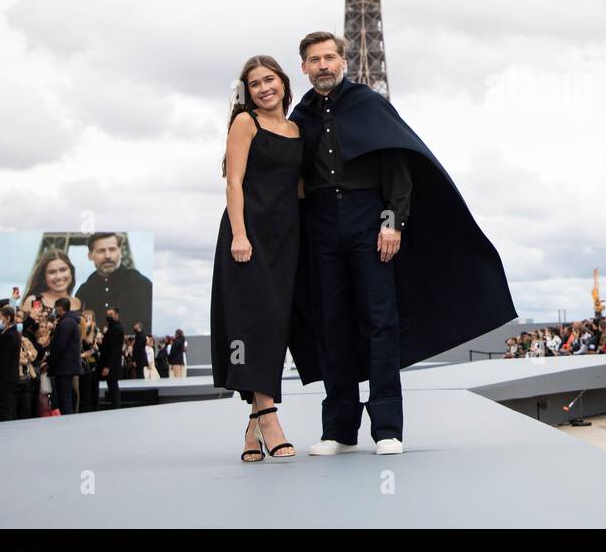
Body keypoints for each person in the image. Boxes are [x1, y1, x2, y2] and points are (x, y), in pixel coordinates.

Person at [289, 31, 516, 457]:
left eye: (330, 57)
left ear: (344, 60)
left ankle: (387, 427)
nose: (323, 65)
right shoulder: (299, 116)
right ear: (303, 67)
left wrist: (391, 223)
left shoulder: (369, 104)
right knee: (330, 324)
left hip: (367, 219)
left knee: (380, 322)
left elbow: (397, 165)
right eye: (314, 59)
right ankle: (338, 430)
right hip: (320, 224)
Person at [211, 55, 305, 461]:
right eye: (255, 84)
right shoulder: (245, 122)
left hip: (287, 237)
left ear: (283, 83)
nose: (264, 88)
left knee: (276, 326)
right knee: (256, 324)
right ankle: (269, 418)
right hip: (248, 235)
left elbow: (299, 189)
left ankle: (253, 426)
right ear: (246, 91)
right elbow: (233, 180)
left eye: (270, 80)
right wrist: (239, 233)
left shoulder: (297, 128)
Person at [75, 232, 153, 335]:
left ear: (120, 252)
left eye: (112, 249)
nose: (108, 256)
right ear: (90, 256)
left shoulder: (142, 285)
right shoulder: (84, 291)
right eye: (101, 251)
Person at [47, 298, 82, 415]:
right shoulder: (70, 321)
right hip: (67, 366)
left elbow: (59, 346)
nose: (54, 310)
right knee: (66, 397)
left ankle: (66, 424)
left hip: (64, 367)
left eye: (55, 307)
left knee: (64, 399)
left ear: (60, 308)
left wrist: (50, 362)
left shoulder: (66, 323)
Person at [0, 306, 22, 420]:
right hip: (10, 379)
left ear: (7, 318)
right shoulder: (13, 334)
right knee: (10, 410)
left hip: (4, 381)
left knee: (5, 413)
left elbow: (2, 364)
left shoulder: (8, 336)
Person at [98, 309, 124, 409]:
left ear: (117, 315)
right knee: (112, 388)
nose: (108, 316)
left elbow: (115, 350)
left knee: (113, 389)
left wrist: (107, 366)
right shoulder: (113, 327)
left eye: (111, 314)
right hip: (110, 364)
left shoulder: (116, 328)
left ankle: (116, 409)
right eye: (107, 314)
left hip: (111, 365)